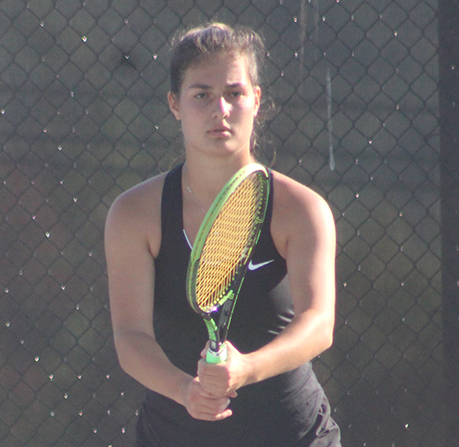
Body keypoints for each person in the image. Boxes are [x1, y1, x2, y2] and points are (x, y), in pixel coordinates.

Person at [105, 23, 340, 447]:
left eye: (234, 93)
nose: (221, 109)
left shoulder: (303, 210)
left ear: (256, 100)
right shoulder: (133, 215)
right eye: (202, 95)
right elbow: (130, 335)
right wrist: (183, 390)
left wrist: (246, 368)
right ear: (175, 104)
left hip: (294, 434)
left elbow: (318, 324)